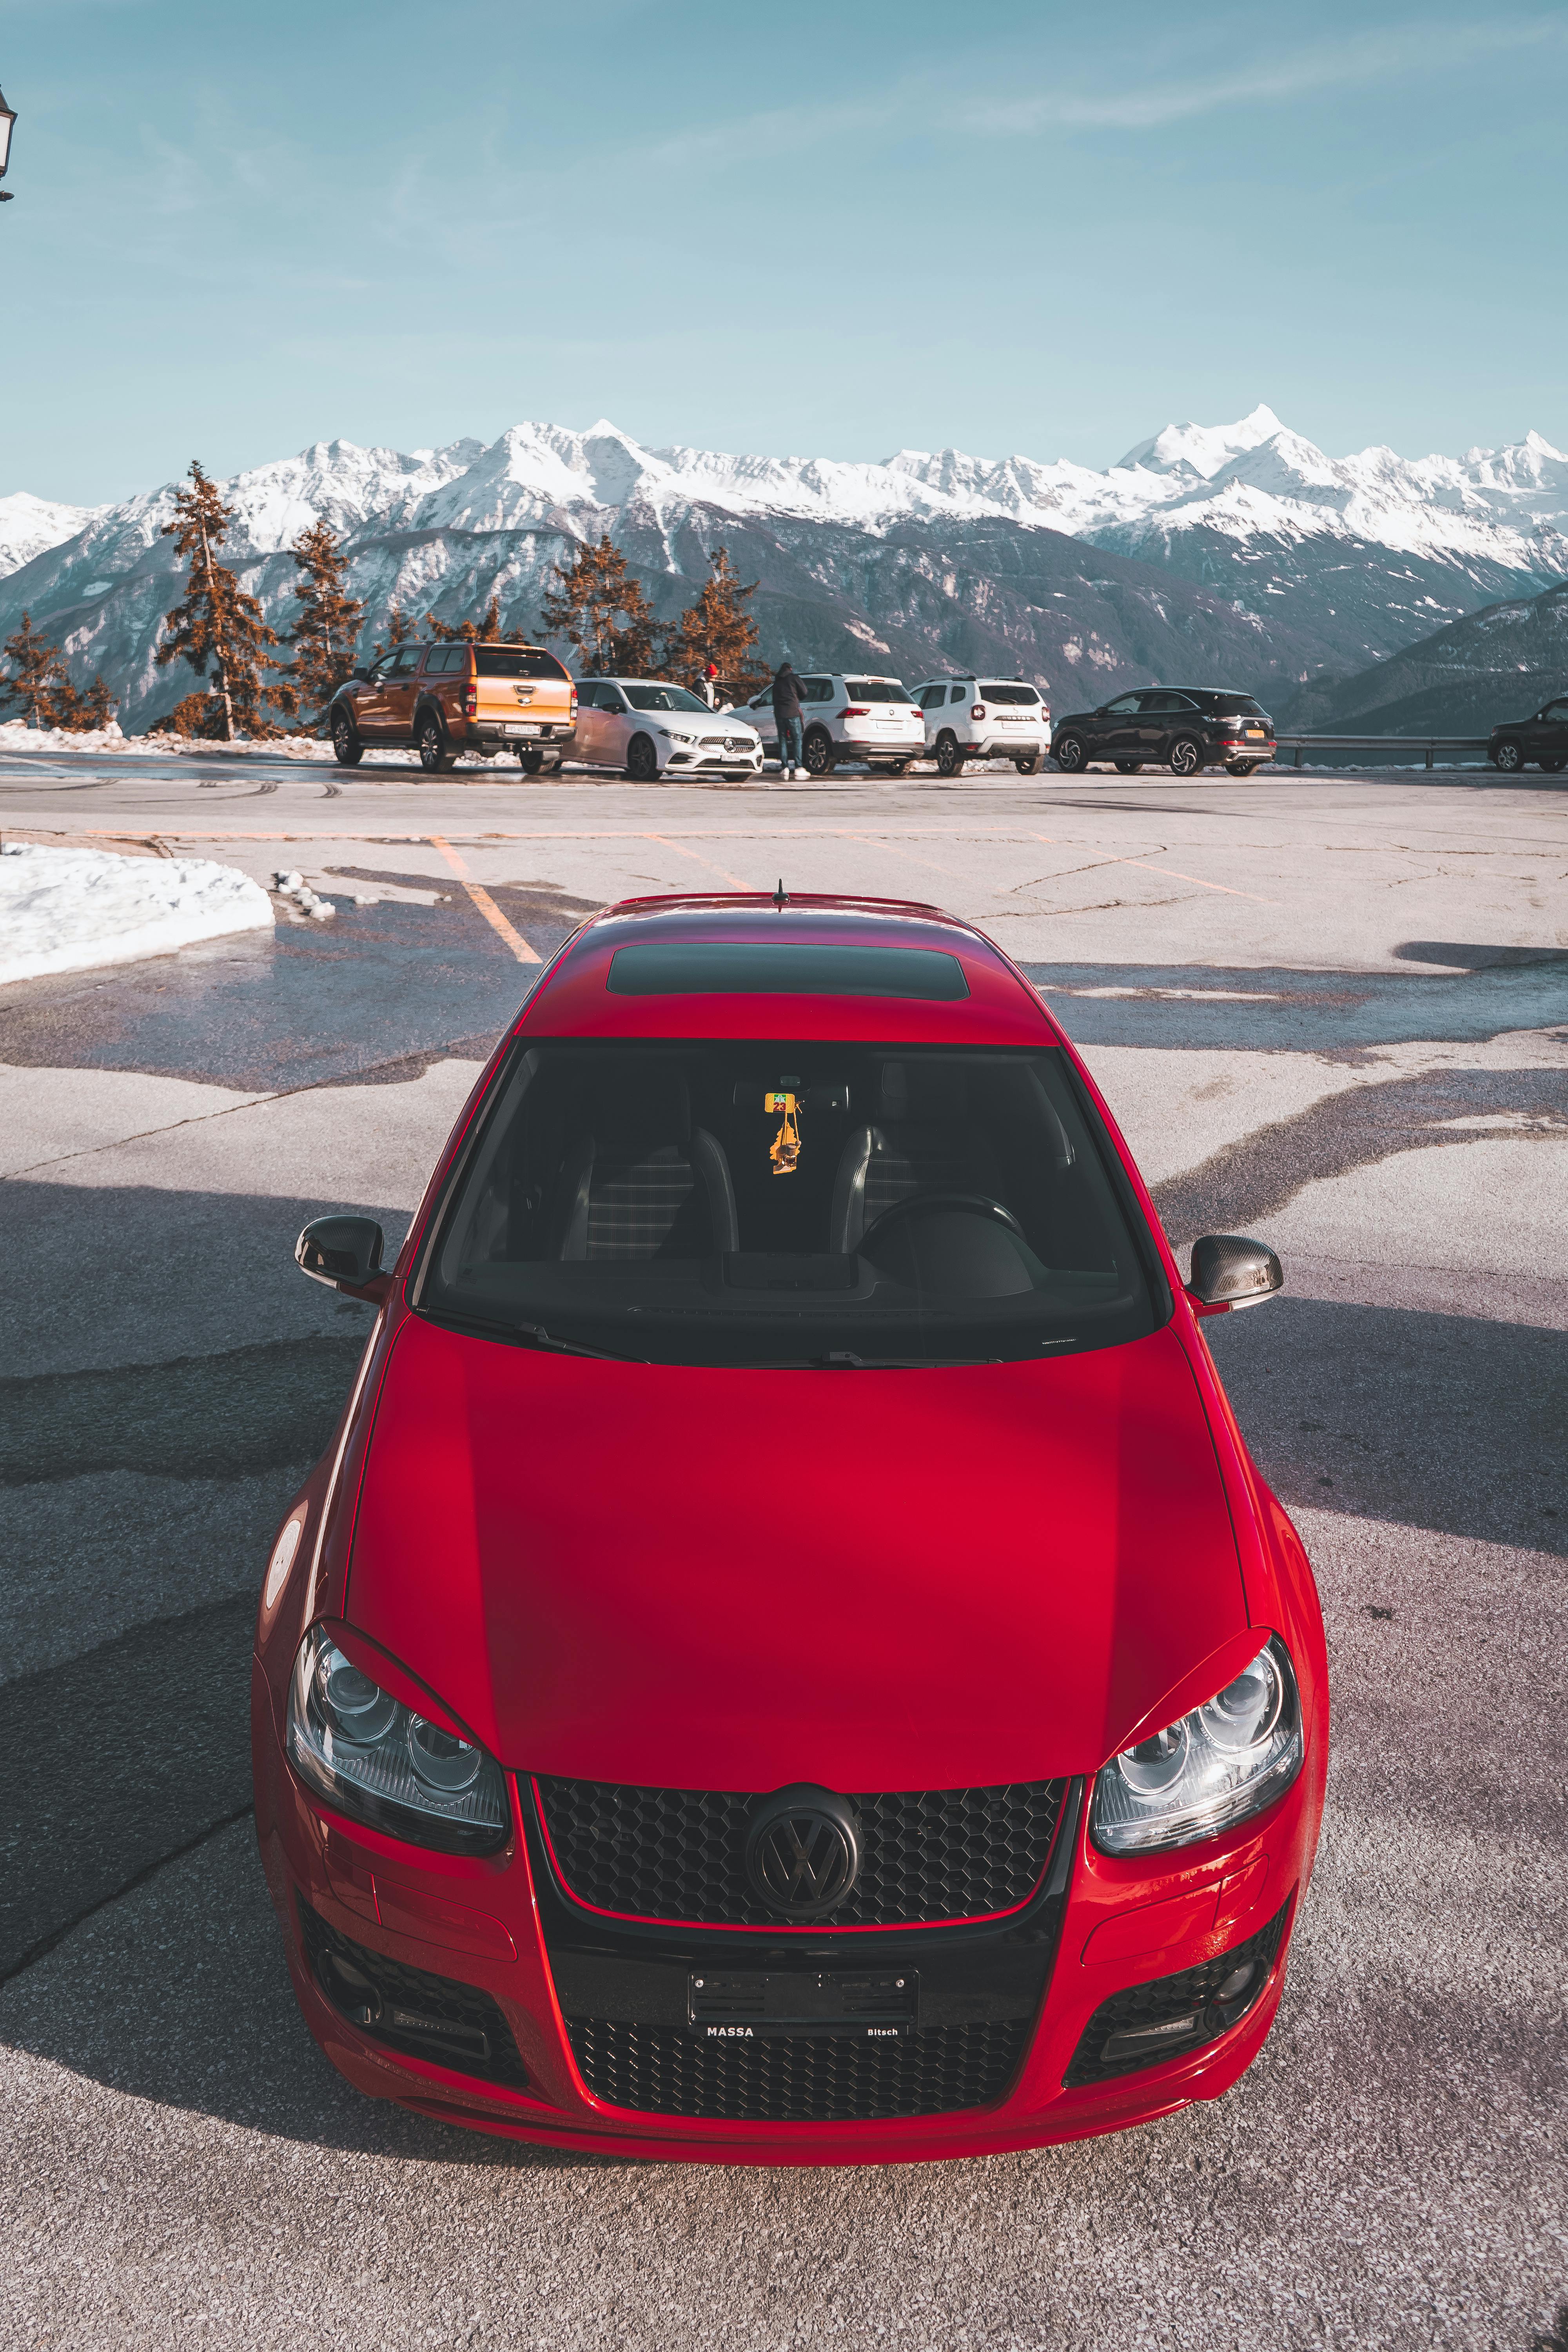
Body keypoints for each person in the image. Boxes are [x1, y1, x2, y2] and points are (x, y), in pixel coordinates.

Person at [772, 660, 806, 778]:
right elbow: (805, 692)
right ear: (790, 669)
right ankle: (799, 767)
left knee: (783, 741)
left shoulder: (777, 681)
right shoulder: (794, 678)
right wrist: (798, 697)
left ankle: (785, 767)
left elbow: (774, 698)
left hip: (780, 715)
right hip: (792, 713)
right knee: (797, 740)